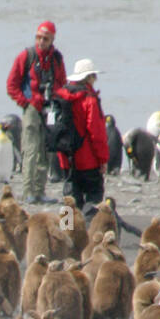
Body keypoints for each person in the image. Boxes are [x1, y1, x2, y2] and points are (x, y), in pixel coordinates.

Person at [6, 21, 67, 204]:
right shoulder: (26, 56)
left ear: (52, 39)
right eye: (39, 37)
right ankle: (28, 191)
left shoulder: (56, 59)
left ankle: (40, 191)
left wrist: (58, 100)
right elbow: (11, 85)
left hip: (50, 108)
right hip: (32, 108)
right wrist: (25, 102)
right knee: (31, 149)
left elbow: (62, 83)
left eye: (45, 38)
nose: (41, 41)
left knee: (46, 149)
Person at [55, 59, 108, 210]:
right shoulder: (89, 99)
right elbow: (96, 134)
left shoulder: (61, 97)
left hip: (66, 157)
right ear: (89, 77)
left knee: (69, 200)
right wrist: (102, 159)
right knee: (94, 196)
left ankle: (67, 230)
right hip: (88, 159)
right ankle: (89, 229)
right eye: (93, 76)